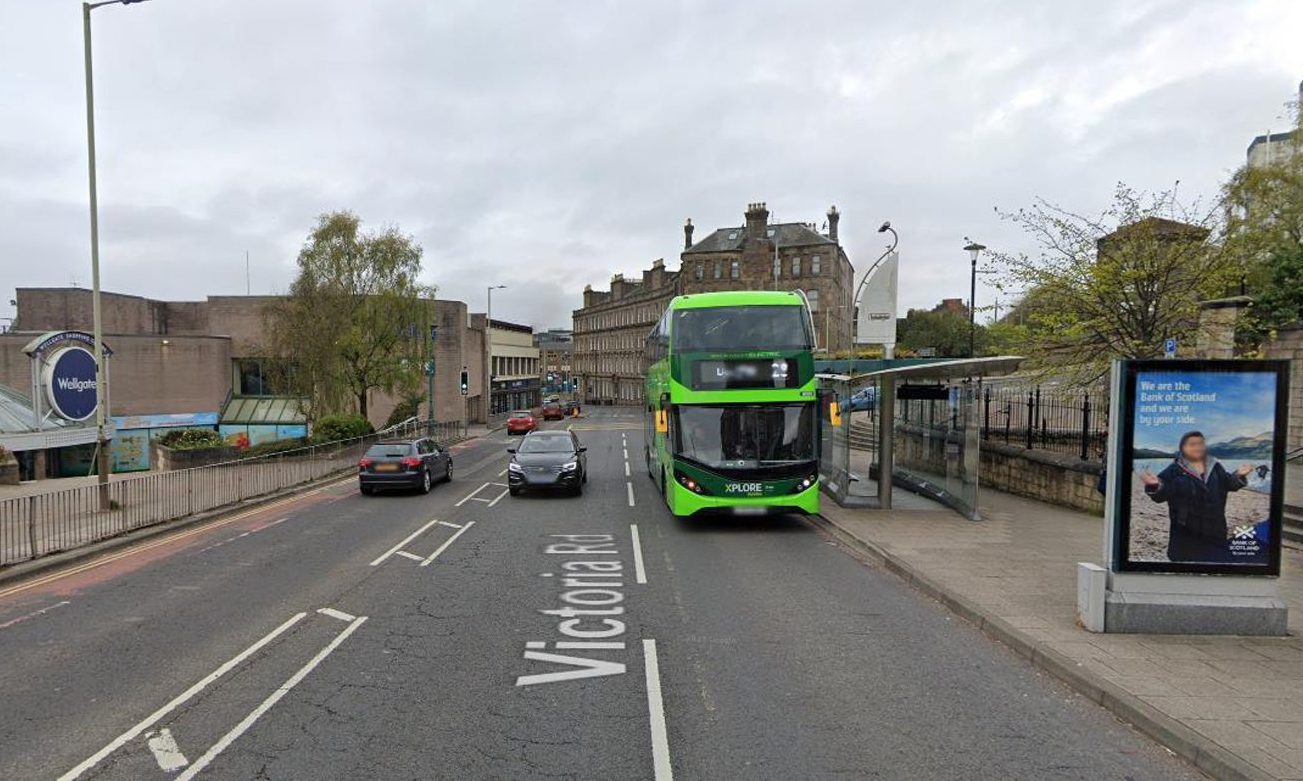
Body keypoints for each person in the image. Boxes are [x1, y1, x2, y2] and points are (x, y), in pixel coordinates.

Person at [1140, 430, 1255, 562]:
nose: (1197, 447)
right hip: (1185, 531)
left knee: (1215, 562)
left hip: (1215, 527)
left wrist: (1239, 475)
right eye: (1192, 444)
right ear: (1182, 448)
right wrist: (1155, 485)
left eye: (1200, 444)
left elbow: (1228, 483)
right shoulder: (1174, 469)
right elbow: (1161, 494)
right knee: (1186, 565)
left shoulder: (1215, 466)